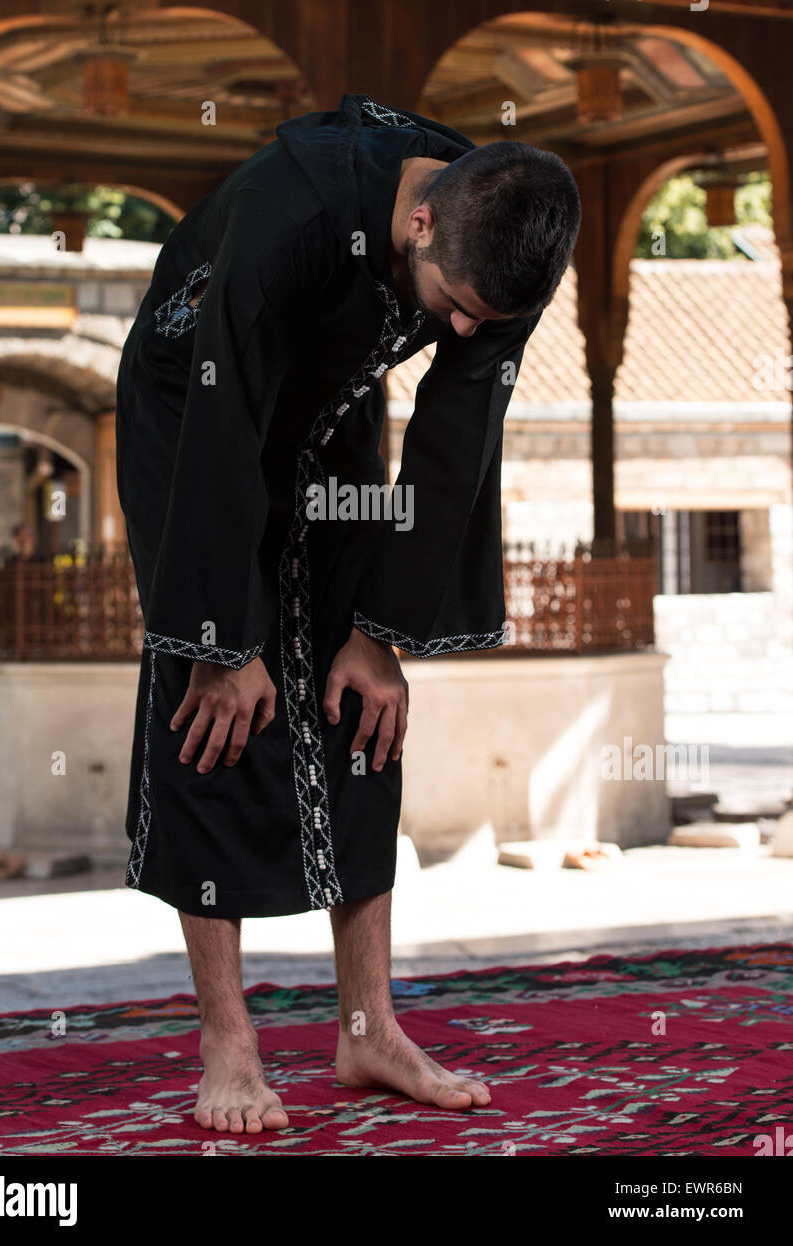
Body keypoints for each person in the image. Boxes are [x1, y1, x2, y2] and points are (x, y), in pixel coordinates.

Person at [115, 92, 580, 1134]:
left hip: (331, 407)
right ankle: (228, 1043)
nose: (463, 332)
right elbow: (227, 416)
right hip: (196, 407)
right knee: (217, 713)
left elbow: (457, 435)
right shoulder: (291, 211)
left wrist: (379, 635)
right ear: (418, 221)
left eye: (485, 320)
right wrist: (222, 640)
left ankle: (369, 1029)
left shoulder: (506, 237)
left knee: (361, 709)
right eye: (453, 307)